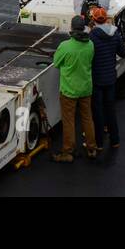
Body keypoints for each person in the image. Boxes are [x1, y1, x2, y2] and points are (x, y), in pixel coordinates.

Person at [50, 15, 97, 161]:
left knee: (69, 121)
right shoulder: (90, 45)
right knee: (87, 118)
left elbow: (56, 63)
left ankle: (68, 152)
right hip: (86, 88)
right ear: (83, 27)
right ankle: (91, 148)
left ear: (71, 27)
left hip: (69, 90)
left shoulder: (65, 46)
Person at [89, 7, 125, 150]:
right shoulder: (115, 33)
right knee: (110, 109)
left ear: (94, 20)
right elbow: (123, 52)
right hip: (110, 77)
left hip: (97, 78)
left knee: (97, 111)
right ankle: (115, 140)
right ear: (106, 19)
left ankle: (99, 143)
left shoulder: (92, 36)